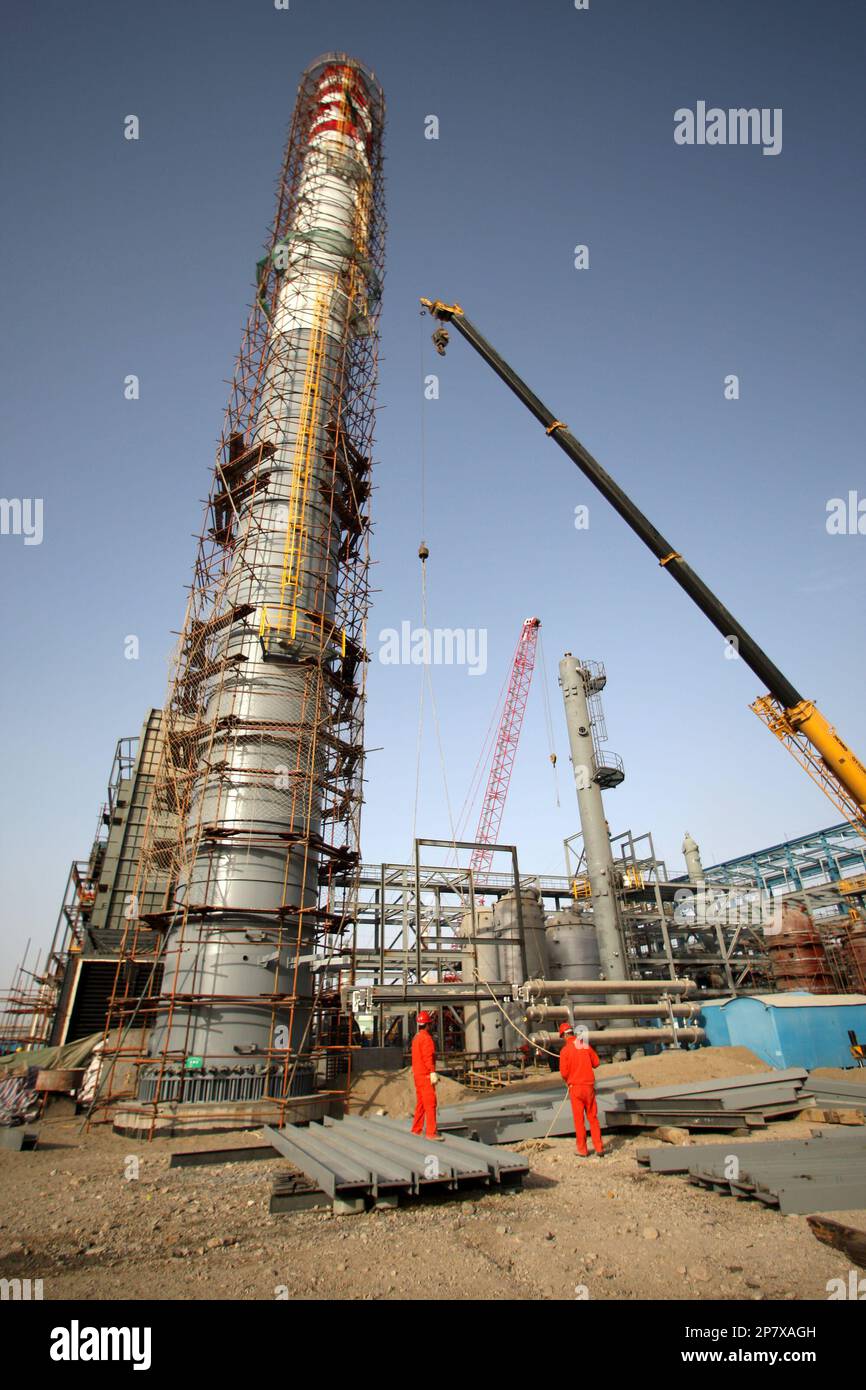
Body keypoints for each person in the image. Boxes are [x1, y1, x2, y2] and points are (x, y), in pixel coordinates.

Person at [558, 1021, 605, 1158]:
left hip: (576, 1088)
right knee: (593, 1118)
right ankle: (599, 1148)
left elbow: (564, 1073)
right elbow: (596, 1063)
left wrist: (570, 1079)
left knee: (579, 1120)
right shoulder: (584, 1045)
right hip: (589, 1087)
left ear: (564, 1036)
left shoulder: (565, 1051)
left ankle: (583, 1150)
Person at [411, 1010, 444, 1140]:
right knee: (430, 1103)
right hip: (425, 1075)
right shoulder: (426, 1038)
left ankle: (416, 1129)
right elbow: (428, 1057)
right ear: (428, 1025)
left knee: (421, 1103)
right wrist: (432, 1072)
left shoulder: (416, 1038)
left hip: (417, 1075)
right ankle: (431, 1133)